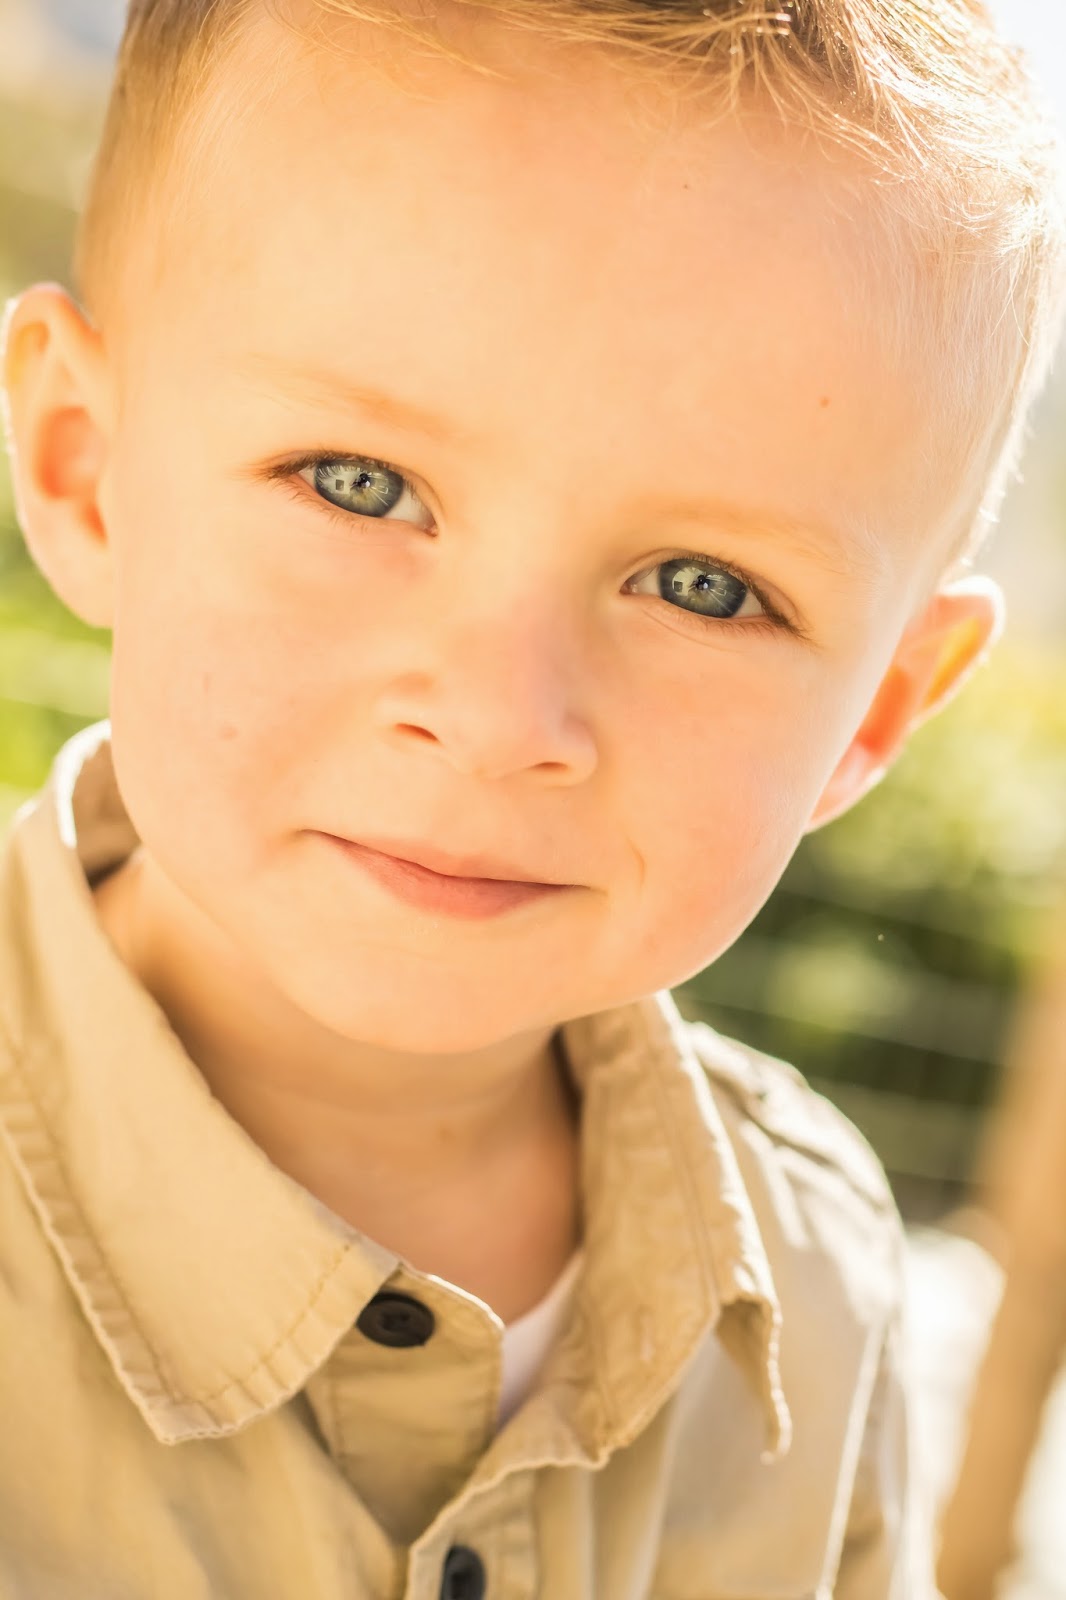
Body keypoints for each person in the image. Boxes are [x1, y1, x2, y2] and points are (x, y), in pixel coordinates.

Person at [0, 1, 1063, 1594]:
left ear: (878, 711)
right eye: (362, 485)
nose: (502, 720)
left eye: (704, 587)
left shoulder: (825, 1288)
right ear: (87, 470)